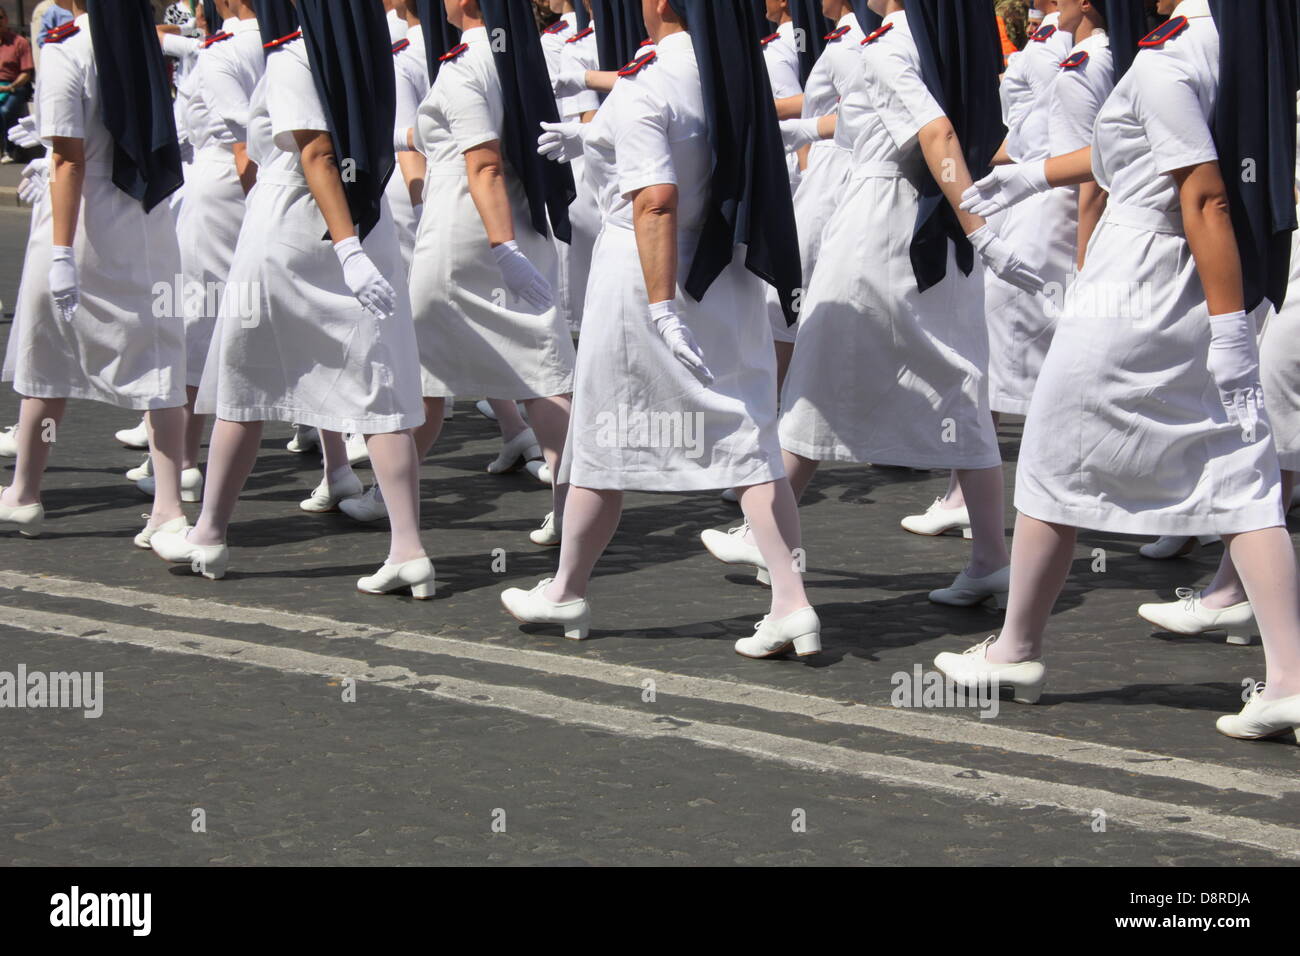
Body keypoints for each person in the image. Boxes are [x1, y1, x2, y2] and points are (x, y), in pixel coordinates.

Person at [946, 0, 1300, 741]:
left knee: (1050, 451)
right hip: (1202, 284)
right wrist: (1036, 174)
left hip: (1140, 283)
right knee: (1239, 473)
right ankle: (1290, 682)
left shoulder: (1172, 55)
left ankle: (1015, 648)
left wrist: (1233, 334)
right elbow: (1140, 153)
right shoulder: (1234, 38)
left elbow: (1201, 195)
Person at [504, 0, 820, 660]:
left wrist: (660, 308)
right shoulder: (726, 71)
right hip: (723, 278)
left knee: (602, 435)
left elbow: (655, 198)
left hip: (649, 279)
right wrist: (590, 135)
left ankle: (566, 591)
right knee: (749, 437)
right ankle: (791, 600)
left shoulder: (651, 81)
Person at [711, 0, 1040, 612]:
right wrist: (978, 230)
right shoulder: (944, 32)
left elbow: (936, 132)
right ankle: (991, 556)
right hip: (935, 223)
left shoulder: (890, 43)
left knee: (814, 381)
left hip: (887, 226)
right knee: (958, 387)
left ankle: (769, 540)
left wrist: (981, 231)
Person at [155, 0, 433, 600]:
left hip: (298, 231)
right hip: (365, 225)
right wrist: (357, 246)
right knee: (375, 386)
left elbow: (314, 154)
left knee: (242, 383)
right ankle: (408, 547)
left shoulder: (293, 56)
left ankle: (208, 532)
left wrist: (345, 248)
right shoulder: (371, 58)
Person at [383, 0, 576, 546]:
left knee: (419, 380)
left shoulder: (467, 64)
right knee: (540, 373)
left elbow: (483, 161)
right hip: (516, 224)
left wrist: (501, 248)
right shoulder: (512, 53)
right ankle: (573, 503)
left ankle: (396, 509)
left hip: (470, 234)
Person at [0, 0, 189, 548]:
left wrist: (59, 252)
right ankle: (168, 505)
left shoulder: (65, 48)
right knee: (158, 367)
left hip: (84, 224)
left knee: (50, 364)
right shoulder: (145, 45)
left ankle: (25, 491)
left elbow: (69, 160)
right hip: (146, 220)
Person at [0, 6, 35, 164]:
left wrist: (10, 86)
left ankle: (10, 150)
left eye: (0, 17)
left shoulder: (19, 42)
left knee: (5, 111)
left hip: (15, 86)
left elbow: (26, 73)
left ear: (6, 19)